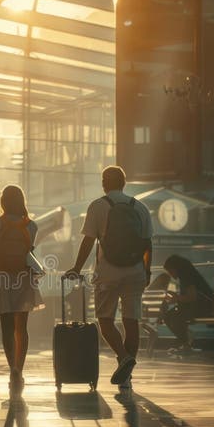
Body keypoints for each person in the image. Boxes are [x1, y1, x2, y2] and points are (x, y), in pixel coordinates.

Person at [65, 165, 153, 393]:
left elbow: (88, 242)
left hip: (108, 272)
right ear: (124, 183)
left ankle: (124, 358)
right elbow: (147, 244)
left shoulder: (97, 206)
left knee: (105, 320)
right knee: (131, 321)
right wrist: (148, 271)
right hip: (135, 271)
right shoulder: (140, 207)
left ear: (104, 183)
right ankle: (126, 378)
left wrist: (76, 267)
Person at [0, 185, 43, 395]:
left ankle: (12, 367)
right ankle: (19, 370)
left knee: (6, 326)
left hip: (1, 277)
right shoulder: (31, 225)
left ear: (3, 201)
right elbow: (28, 252)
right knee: (21, 327)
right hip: (23, 278)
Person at [161, 254, 214, 352]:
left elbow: (191, 297)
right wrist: (177, 298)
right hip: (201, 306)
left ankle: (186, 342)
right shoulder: (187, 275)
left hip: (202, 308)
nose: (170, 274)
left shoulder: (187, 277)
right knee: (169, 316)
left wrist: (176, 298)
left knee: (172, 317)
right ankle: (186, 341)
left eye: (170, 271)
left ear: (176, 268)